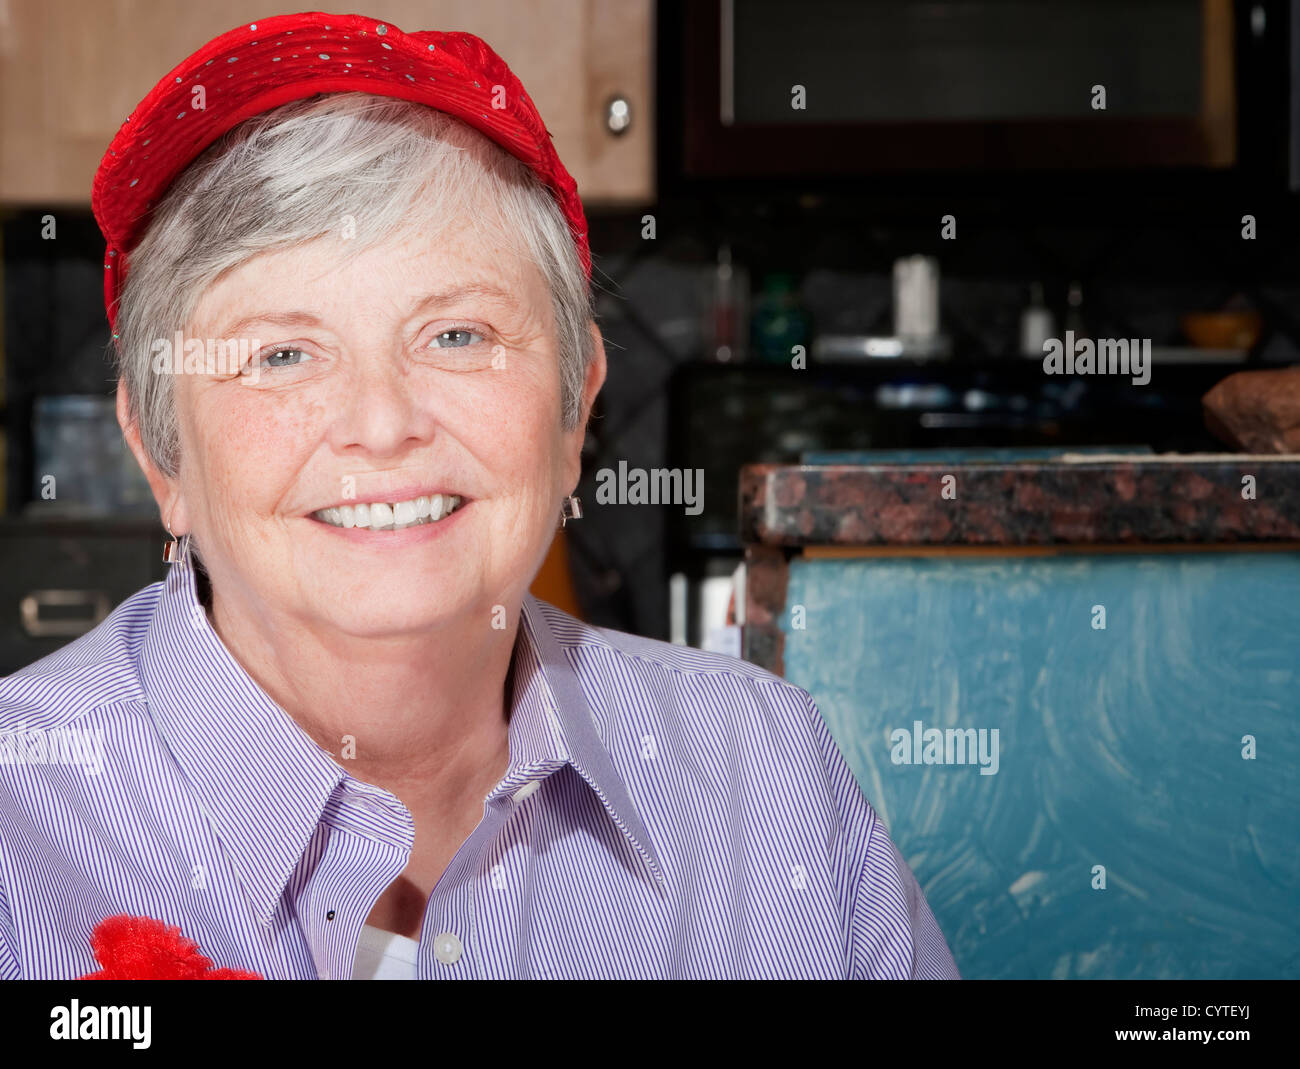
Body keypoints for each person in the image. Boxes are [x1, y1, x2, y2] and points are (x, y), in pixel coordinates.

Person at [0, 12, 958, 980]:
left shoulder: (767, 773)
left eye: (456, 335)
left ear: (575, 407)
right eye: (281, 354)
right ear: (161, 454)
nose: (381, 423)